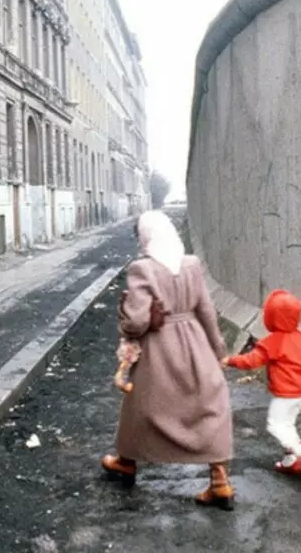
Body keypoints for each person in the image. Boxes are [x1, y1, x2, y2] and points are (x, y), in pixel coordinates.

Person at [100, 210, 236, 510]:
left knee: (142, 406)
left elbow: (136, 322)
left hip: (159, 348)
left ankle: (126, 461)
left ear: (145, 239)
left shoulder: (142, 269)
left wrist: (125, 318)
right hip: (195, 342)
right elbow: (207, 310)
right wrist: (219, 351)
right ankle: (219, 479)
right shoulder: (191, 264)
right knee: (207, 405)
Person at [222, 288, 301, 475]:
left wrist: (230, 361)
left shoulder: (273, 342)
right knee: (287, 424)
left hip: (285, 394)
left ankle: (299, 451)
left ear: (272, 317)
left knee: (275, 425)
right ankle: (291, 459)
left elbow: (251, 361)